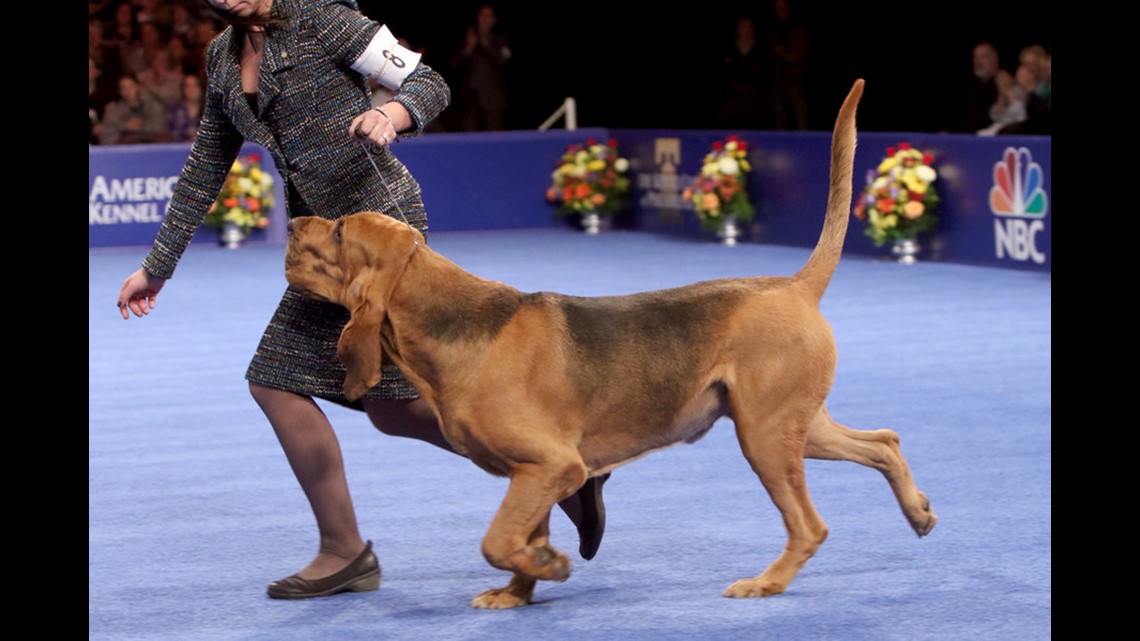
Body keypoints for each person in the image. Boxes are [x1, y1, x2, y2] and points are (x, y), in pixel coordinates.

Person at [115, 0, 609, 601]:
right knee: (391, 409)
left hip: (381, 237)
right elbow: (205, 166)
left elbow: (429, 82)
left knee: (275, 379)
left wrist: (394, 113)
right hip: (328, 252)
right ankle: (557, 466)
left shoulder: (322, 19)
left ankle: (348, 549)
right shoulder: (222, 57)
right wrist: (158, 266)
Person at [449, 4, 511, 131]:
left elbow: (502, 61)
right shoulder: (469, 40)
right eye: (482, 16)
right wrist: (469, 48)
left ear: (494, 20)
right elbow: (454, 65)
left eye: (488, 16)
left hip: (493, 101)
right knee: (469, 138)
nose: (485, 20)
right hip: (470, 101)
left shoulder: (500, 41)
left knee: (494, 138)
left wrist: (483, 43)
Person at [716, 16, 773, 130]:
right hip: (732, 106)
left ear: (753, 29)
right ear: (737, 29)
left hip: (756, 107)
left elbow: (766, 75)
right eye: (742, 26)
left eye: (748, 27)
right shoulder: (729, 48)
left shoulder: (762, 49)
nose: (745, 29)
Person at [763, 0, 810, 130]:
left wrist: (784, 54)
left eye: (782, 6)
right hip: (776, 80)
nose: (780, 10)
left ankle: (805, 141)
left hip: (795, 79)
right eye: (777, 7)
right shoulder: (771, 31)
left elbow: (800, 54)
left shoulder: (799, 30)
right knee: (778, 117)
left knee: (800, 115)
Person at [99, 72, 169, 144]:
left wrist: (140, 125)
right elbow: (107, 138)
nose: (128, 90)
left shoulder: (153, 107)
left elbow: (158, 129)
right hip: (124, 150)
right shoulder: (113, 112)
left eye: (131, 86)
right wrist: (126, 126)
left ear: (138, 87)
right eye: (124, 88)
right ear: (120, 91)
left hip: (152, 148)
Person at [954, 41, 1001, 133]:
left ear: (995, 59)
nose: (978, 62)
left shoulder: (1003, 85)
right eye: (975, 57)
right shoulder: (972, 89)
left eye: (983, 57)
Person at [166, 71, 204, 142]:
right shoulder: (175, 111)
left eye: (194, 85)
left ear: (201, 88)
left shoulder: (210, 113)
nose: (191, 89)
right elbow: (169, 136)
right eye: (187, 86)